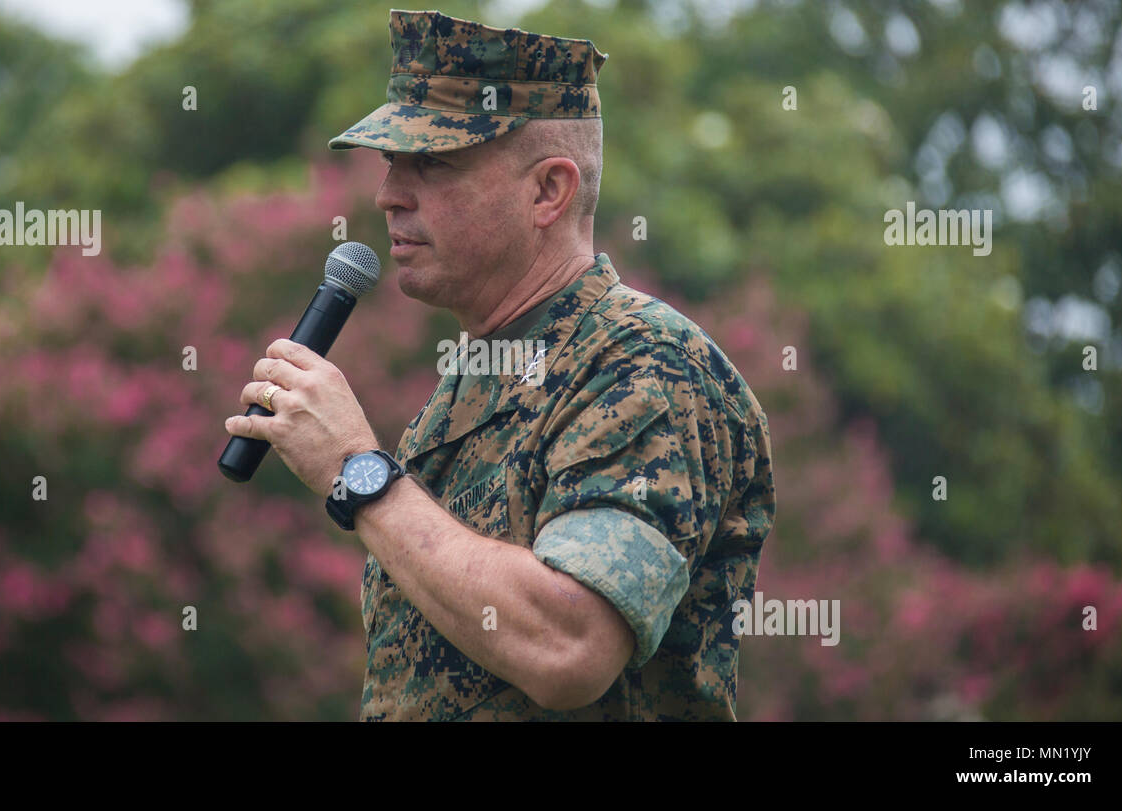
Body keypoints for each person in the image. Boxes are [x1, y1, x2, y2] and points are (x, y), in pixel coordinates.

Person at [223, 9, 776, 721]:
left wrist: (360, 472)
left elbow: (568, 645)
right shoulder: (478, 379)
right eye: (392, 162)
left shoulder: (646, 367)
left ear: (548, 192)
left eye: (433, 163)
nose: (387, 193)